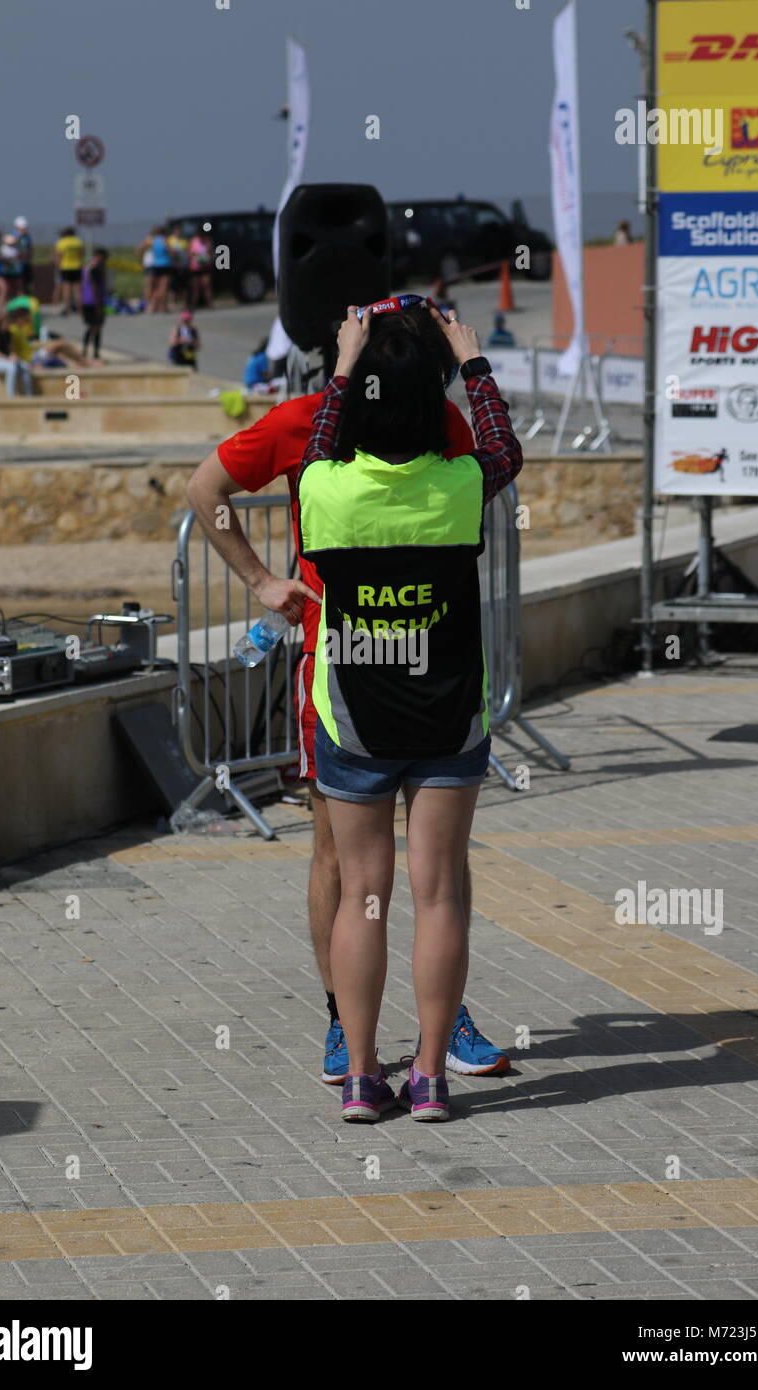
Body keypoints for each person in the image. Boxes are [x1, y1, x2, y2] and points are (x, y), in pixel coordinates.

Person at [185, 296, 512, 1088]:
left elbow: (346, 450)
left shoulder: (376, 438)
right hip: (347, 681)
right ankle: (347, 1022)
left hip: (378, 682)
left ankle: (431, 1018)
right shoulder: (308, 423)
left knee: (423, 880)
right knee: (348, 860)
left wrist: (346, 366)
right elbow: (207, 489)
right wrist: (262, 580)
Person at [294, 303, 521, 1122]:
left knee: (363, 896)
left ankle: (360, 1077)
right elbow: (503, 449)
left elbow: (322, 439)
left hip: (355, 716)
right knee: (441, 897)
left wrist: (344, 363)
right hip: (448, 715)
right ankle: (428, 1075)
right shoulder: (460, 486)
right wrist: (473, 362)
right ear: (433, 405)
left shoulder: (324, 489)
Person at [0, 308, 34, 396]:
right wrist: (8, 358)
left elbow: (11, 350)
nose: (9, 325)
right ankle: (11, 396)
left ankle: (28, 395)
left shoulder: (8, 334)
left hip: (5, 359)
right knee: (11, 367)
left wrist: (14, 357)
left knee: (25, 367)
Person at [137, 225, 172, 312]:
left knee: (153, 287)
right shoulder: (165, 240)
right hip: (165, 265)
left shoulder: (152, 240)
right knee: (163, 287)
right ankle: (162, 306)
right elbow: (171, 252)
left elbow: (139, 249)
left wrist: (141, 260)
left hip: (155, 264)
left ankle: (151, 305)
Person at [81, 247, 108, 359]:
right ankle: (95, 352)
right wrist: (98, 306)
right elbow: (95, 287)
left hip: (86, 301)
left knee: (90, 327)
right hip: (94, 302)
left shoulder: (87, 267)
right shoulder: (97, 269)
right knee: (96, 328)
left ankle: (85, 350)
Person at [55, 226, 85, 313]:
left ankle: (67, 307)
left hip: (65, 267)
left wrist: (58, 266)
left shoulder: (61, 242)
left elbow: (58, 256)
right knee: (77, 288)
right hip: (77, 266)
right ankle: (80, 308)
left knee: (66, 288)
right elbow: (82, 254)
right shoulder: (78, 242)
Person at [187, 227, 213, 310]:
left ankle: (209, 304)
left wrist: (207, 258)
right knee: (195, 287)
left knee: (207, 285)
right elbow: (189, 253)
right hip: (195, 267)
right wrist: (196, 257)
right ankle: (194, 304)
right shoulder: (193, 241)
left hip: (206, 266)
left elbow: (210, 252)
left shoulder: (208, 241)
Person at [167, 223, 189, 310]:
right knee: (173, 286)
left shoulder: (184, 240)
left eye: (179, 230)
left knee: (184, 286)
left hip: (183, 265)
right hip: (173, 266)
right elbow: (168, 251)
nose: (178, 231)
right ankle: (172, 303)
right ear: (174, 230)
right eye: (177, 230)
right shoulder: (169, 240)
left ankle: (185, 303)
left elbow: (187, 251)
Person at [13, 216, 33, 292]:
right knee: (18, 284)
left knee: (27, 283)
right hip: (17, 265)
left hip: (26, 263)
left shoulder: (27, 237)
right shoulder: (14, 236)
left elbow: (30, 249)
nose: (25, 229)